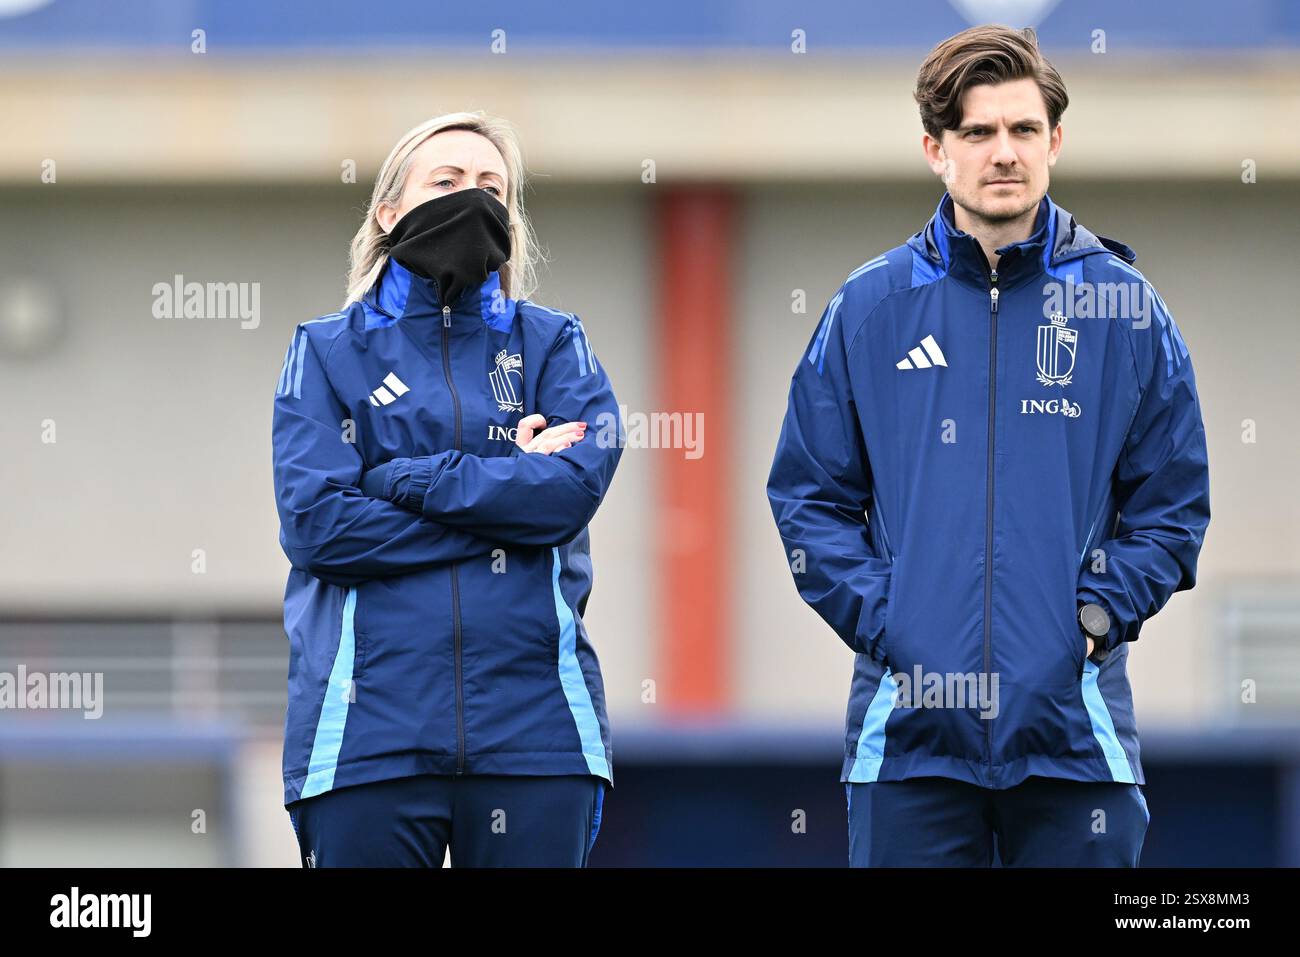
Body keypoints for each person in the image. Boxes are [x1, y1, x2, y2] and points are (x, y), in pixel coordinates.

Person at [766, 26, 1210, 866]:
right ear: (936, 150)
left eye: (1023, 130)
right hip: (908, 745)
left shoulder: (1125, 308)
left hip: (1076, 746)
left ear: (1055, 142)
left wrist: (1092, 617)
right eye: (978, 133)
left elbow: (1172, 507)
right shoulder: (869, 308)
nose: (1003, 153)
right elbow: (808, 499)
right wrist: (897, 622)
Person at [271, 112, 622, 866]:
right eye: (448, 181)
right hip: (367, 741)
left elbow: (567, 495)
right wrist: (510, 501)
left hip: (538, 737)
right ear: (389, 210)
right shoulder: (328, 351)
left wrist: (403, 478)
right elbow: (319, 527)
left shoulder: (555, 343)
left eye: (493, 186)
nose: (474, 198)